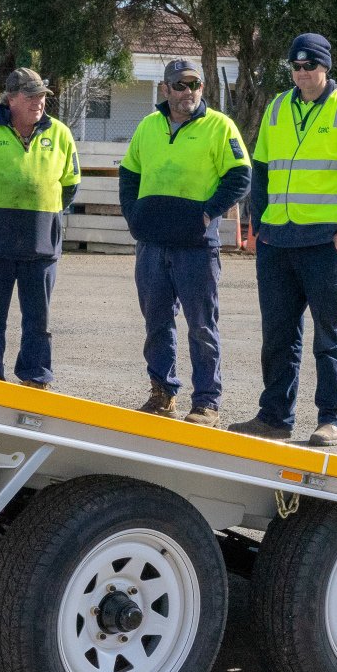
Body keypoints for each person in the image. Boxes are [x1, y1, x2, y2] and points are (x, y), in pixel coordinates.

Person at [229, 33, 337, 447]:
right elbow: (260, 168)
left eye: (310, 67)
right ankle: (274, 417)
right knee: (277, 335)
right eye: (296, 68)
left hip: (323, 245)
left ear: (325, 67)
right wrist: (258, 225)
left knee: (329, 335)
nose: (302, 74)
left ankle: (331, 418)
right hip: (278, 242)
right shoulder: (278, 106)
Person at [119, 59, 251, 427]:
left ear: (203, 88)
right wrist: (134, 215)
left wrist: (207, 214)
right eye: (179, 85)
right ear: (165, 89)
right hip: (152, 245)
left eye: (194, 84)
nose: (187, 91)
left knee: (201, 325)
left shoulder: (220, 127)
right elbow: (129, 173)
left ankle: (206, 402)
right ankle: (162, 393)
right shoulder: (148, 127)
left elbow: (240, 177)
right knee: (156, 322)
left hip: (195, 246)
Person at [0, 69, 81, 389]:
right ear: (11, 98)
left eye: (42, 96)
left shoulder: (60, 134)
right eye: (31, 95)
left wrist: (41, 214)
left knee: (39, 320)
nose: (39, 102)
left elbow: (70, 184)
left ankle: (35, 376)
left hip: (41, 246)